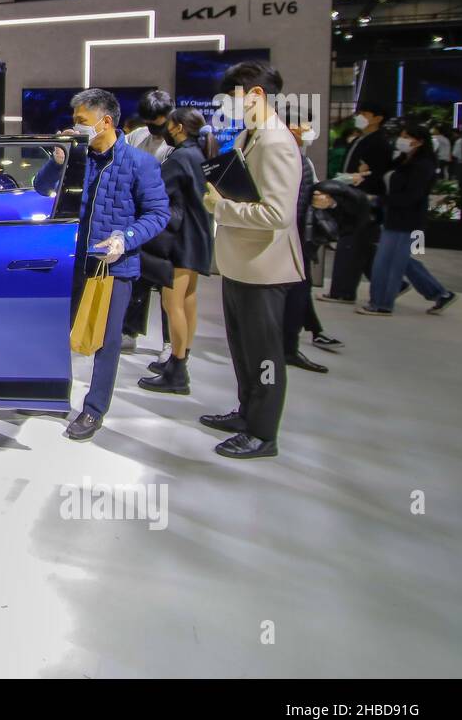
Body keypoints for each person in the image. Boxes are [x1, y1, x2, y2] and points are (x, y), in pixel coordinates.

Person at [34, 89, 169, 441]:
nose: (76, 127)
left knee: (106, 342)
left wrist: (127, 236)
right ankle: (50, 393)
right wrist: (57, 160)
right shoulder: (76, 159)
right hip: (70, 261)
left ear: (105, 121)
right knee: (55, 330)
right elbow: (41, 187)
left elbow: (158, 213)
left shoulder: (140, 164)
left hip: (113, 266)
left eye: (82, 122)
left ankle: (94, 410)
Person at [199, 62, 304, 460]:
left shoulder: (277, 141)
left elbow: (279, 215)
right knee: (243, 350)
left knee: (264, 356)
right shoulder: (250, 135)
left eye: (232, 98)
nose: (227, 106)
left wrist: (221, 208)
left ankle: (263, 434)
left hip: (264, 266)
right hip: (241, 262)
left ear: (256, 95)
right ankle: (247, 414)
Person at [138, 107, 213, 394]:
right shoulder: (198, 154)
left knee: (173, 305)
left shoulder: (180, 158)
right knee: (188, 301)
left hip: (181, 240)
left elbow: (155, 189)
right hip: (199, 236)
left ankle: (178, 369)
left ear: (179, 127)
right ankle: (180, 359)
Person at [357, 123, 456, 316]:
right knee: (400, 260)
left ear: (418, 141)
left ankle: (382, 304)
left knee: (388, 263)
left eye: (405, 136)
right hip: (391, 216)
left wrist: (378, 200)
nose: (401, 140)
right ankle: (439, 293)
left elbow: (412, 196)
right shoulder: (403, 160)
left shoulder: (424, 165)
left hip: (405, 220)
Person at [319, 102, 391, 304]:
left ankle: (343, 291)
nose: (360, 117)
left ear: (378, 118)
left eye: (365, 113)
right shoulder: (361, 138)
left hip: (364, 199)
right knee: (362, 247)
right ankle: (396, 284)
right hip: (352, 196)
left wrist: (360, 177)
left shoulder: (380, 142)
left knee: (351, 245)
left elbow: (376, 174)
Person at [282, 121, 340, 371]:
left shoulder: (304, 162)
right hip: (274, 238)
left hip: (299, 238)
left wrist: (324, 201)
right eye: (298, 126)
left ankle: (290, 346)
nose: (303, 132)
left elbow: (314, 192)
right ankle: (288, 344)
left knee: (298, 291)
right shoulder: (269, 155)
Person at [121, 89, 175, 353]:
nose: (154, 128)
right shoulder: (137, 136)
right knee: (137, 277)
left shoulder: (176, 144)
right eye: (150, 122)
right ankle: (129, 331)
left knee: (168, 283)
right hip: (137, 220)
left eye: (159, 122)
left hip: (167, 223)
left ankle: (170, 341)